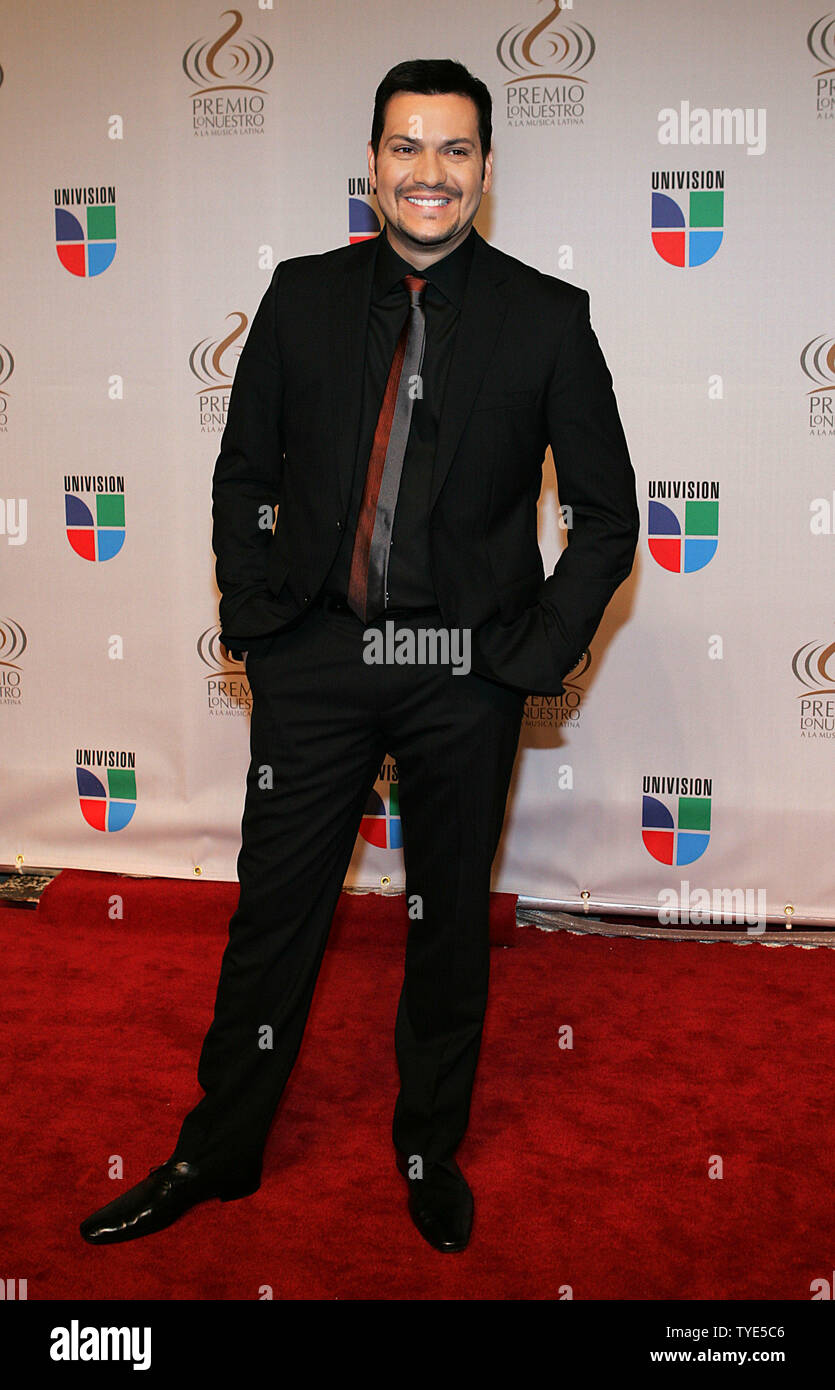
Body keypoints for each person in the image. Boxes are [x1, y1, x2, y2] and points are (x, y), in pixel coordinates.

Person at [80, 57, 639, 1254]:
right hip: (319, 661)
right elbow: (246, 477)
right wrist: (257, 623)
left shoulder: (549, 319)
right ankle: (216, 1149)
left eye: (451, 150)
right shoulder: (300, 296)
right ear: (372, 165)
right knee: (273, 915)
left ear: (485, 171)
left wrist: (528, 656)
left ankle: (429, 1148)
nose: (425, 172)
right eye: (404, 147)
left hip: (461, 672)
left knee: (445, 925)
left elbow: (607, 515)